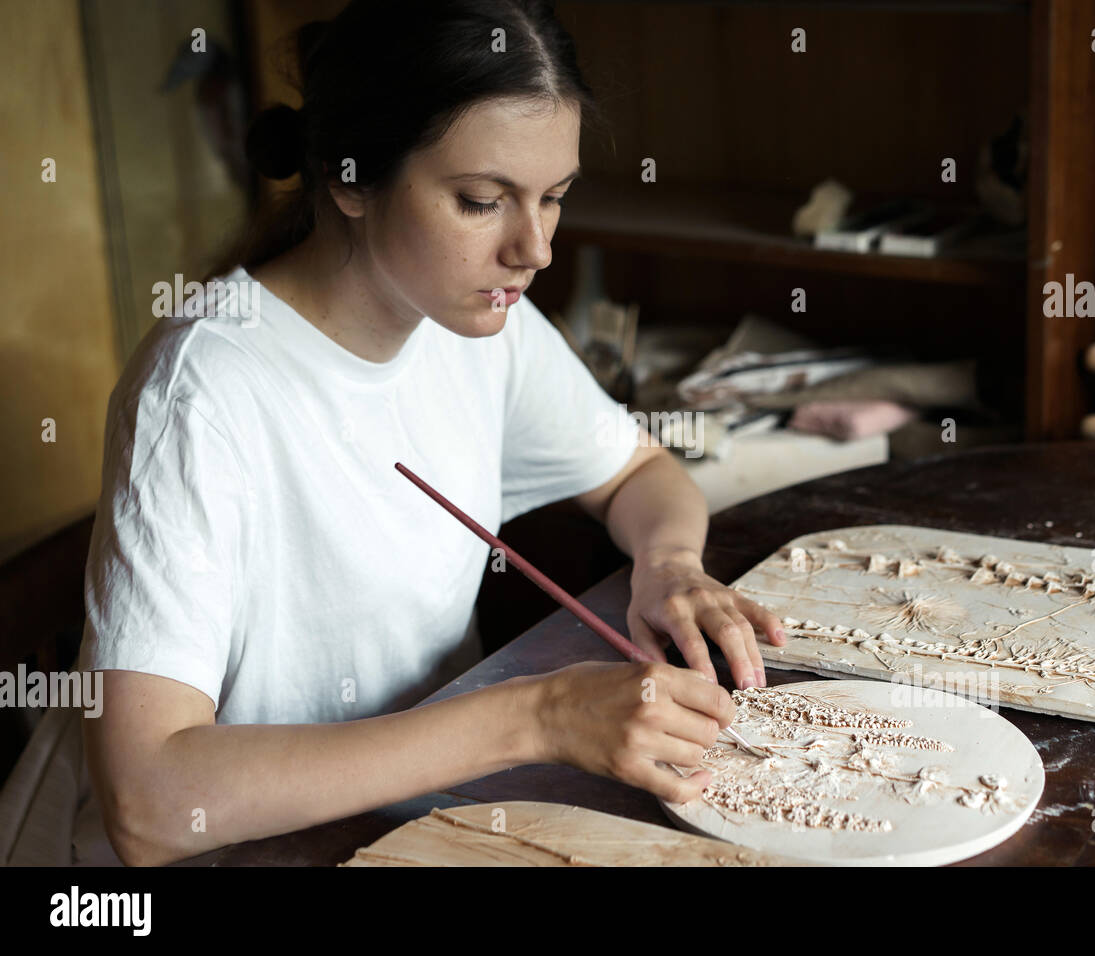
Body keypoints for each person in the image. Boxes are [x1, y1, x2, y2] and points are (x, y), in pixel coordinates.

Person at [64, 0, 786, 866]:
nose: (536, 249)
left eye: (553, 198)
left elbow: (639, 472)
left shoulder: (482, 320)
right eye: (483, 201)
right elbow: (149, 801)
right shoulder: (202, 392)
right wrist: (539, 715)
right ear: (350, 180)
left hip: (424, 825)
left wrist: (667, 564)